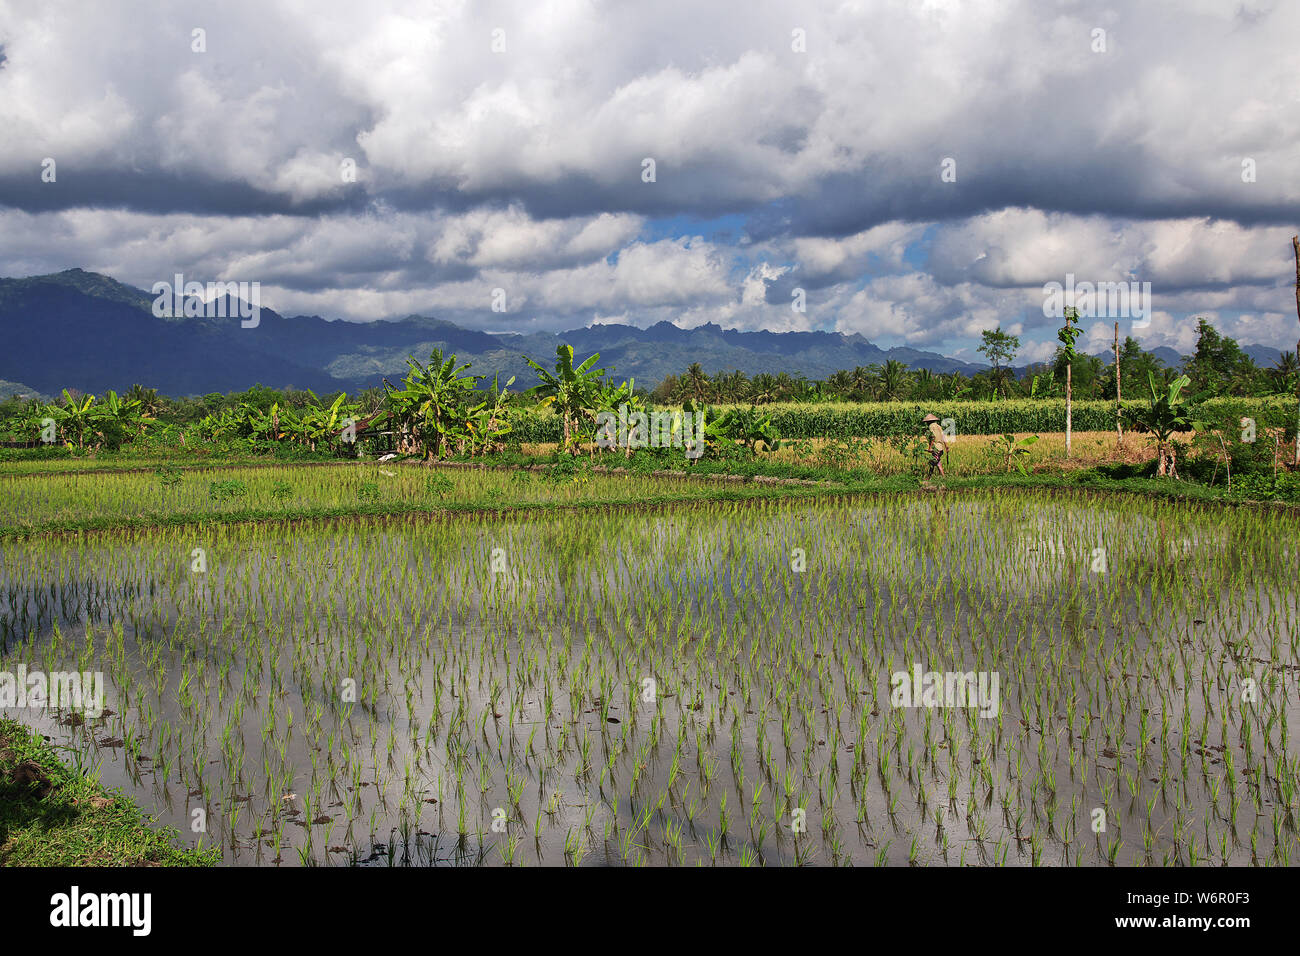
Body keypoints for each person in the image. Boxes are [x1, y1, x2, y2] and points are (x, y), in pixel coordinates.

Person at [923, 413, 947, 477]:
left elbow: (933, 437)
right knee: (938, 463)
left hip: (936, 448)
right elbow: (943, 436)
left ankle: (928, 477)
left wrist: (930, 448)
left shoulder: (931, 426)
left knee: (932, 463)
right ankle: (943, 477)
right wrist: (946, 446)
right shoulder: (939, 426)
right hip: (940, 448)